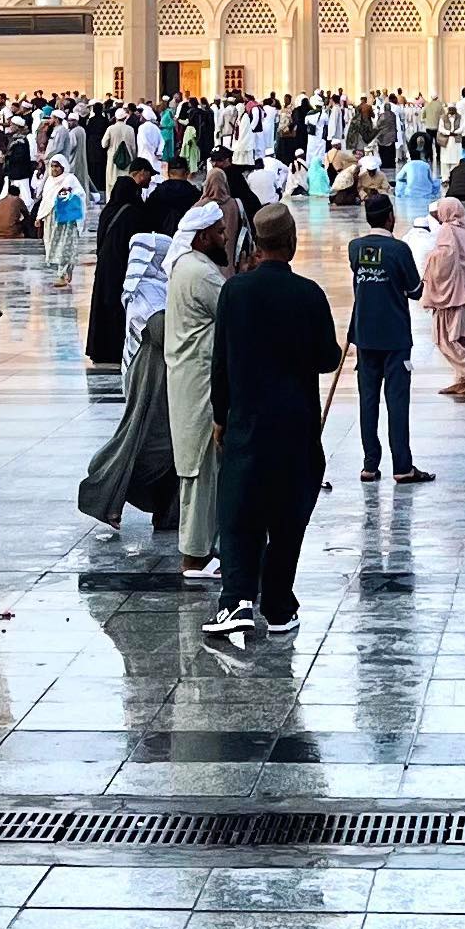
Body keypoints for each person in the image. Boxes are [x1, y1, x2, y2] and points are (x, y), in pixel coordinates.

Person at [202, 203, 342, 646]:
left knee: (240, 513)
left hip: (247, 424)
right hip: (297, 429)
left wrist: (220, 418)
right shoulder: (310, 294)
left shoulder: (235, 293)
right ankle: (279, 604)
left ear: (257, 246)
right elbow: (327, 358)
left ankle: (237, 600)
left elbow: (219, 364)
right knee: (287, 519)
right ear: (292, 242)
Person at [78, 202, 181, 538]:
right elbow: (162, 332)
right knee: (144, 440)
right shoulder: (144, 293)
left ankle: (165, 510)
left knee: (165, 443)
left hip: (162, 379)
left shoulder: (156, 290)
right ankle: (100, 491)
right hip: (150, 379)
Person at [345, 188, 433, 486]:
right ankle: (403, 466)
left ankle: (370, 465)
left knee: (367, 401)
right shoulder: (399, 251)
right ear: (391, 217)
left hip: (365, 335)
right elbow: (416, 291)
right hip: (395, 337)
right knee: (397, 402)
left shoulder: (355, 248)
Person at [164, 204, 232, 573]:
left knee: (204, 468)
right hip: (199, 383)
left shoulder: (192, 267)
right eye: (220, 232)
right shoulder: (200, 273)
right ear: (203, 237)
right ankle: (194, 556)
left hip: (192, 379)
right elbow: (232, 311)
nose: (225, 237)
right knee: (200, 469)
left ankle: (204, 548)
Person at [83, 154, 154, 376]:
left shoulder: (108, 211)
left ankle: (100, 349)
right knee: (117, 308)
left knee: (103, 307)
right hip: (123, 268)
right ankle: (116, 349)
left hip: (104, 268)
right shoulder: (133, 214)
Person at [420, 187, 465, 397]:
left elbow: (446, 258)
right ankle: (461, 381)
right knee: (462, 338)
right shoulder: (464, 229)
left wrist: (429, 257)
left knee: (444, 339)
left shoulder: (448, 230)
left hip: (452, 294)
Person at [37, 144, 87, 286]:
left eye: (57, 166)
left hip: (66, 221)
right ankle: (65, 271)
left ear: (63, 167)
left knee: (64, 247)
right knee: (52, 246)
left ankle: (62, 274)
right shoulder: (49, 182)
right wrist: (39, 217)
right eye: (52, 166)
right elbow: (46, 200)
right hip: (51, 219)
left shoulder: (69, 179)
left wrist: (67, 194)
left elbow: (80, 195)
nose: (54, 169)